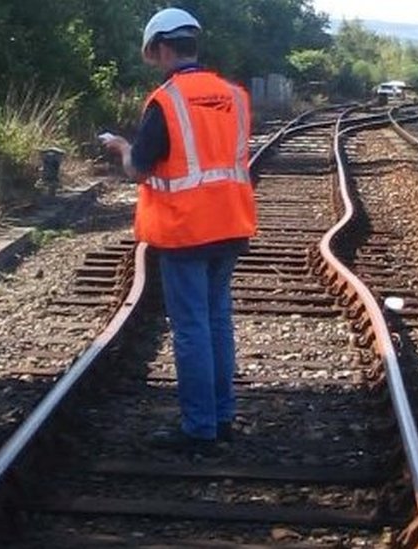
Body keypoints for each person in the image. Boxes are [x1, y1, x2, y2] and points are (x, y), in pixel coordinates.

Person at [103, 7, 256, 451]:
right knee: (217, 320)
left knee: (191, 327)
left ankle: (199, 427)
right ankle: (222, 416)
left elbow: (139, 168)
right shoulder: (235, 95)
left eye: (152, 53)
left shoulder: (166, 101)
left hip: (188, 229)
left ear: (162, 48)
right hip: (231, 223)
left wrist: (122, 147)